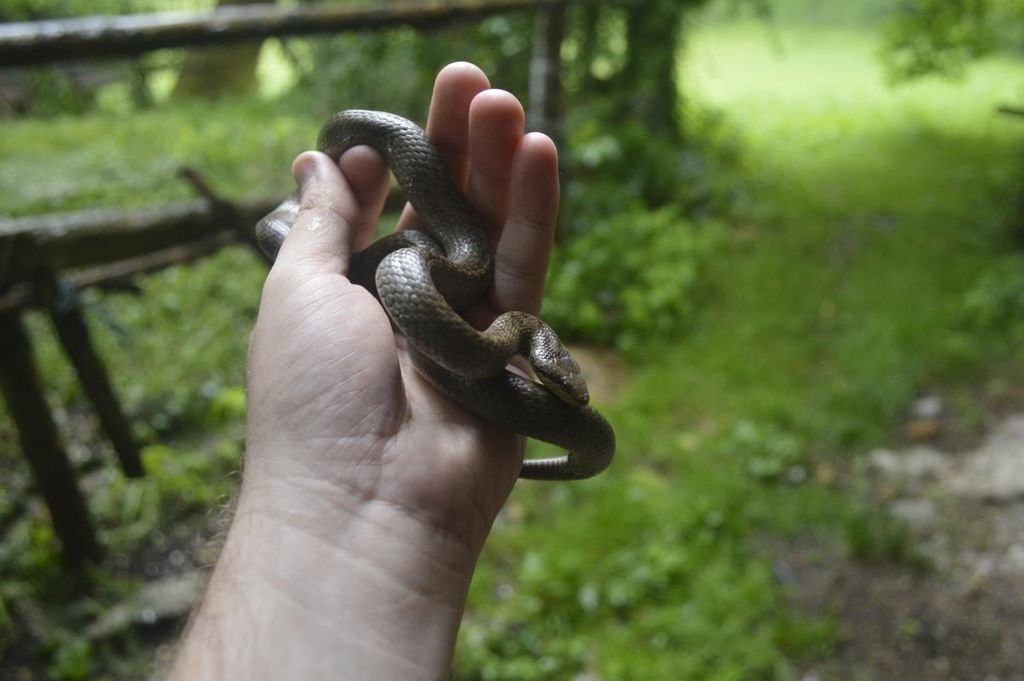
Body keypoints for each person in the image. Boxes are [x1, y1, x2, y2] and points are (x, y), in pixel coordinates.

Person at [168, 61, 560, 680]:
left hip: (437, 279)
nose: (560, 392)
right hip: (431, 277)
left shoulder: (483, 313)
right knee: (431, 254)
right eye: (556, 383)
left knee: (447, 258)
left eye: (557, 388)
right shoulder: (481, 319)